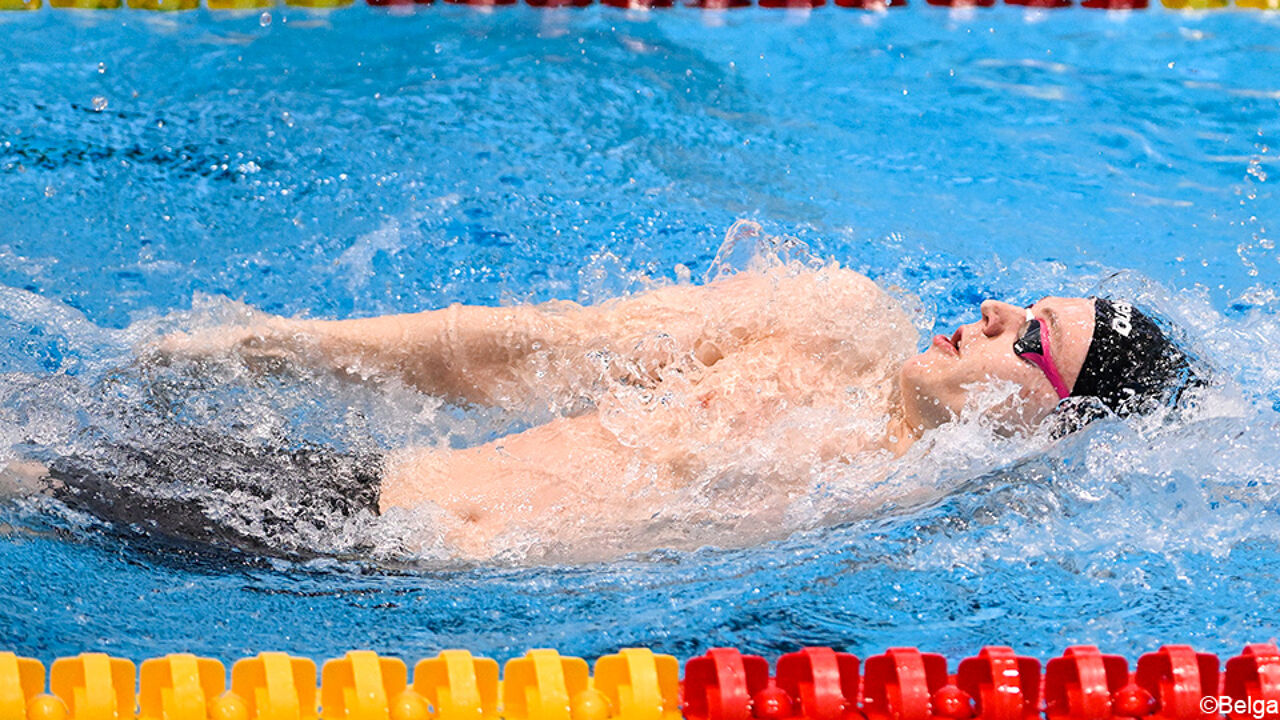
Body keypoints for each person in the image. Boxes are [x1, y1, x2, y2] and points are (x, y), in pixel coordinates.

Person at [0, 260, 1200, 562]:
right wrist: (269, 347)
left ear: (1044, 419)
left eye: (1027, 337)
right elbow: (510, 352)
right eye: (1013, 303)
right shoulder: (821, 321)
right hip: (337, 515)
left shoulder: (921, 507)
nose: (990, 308)